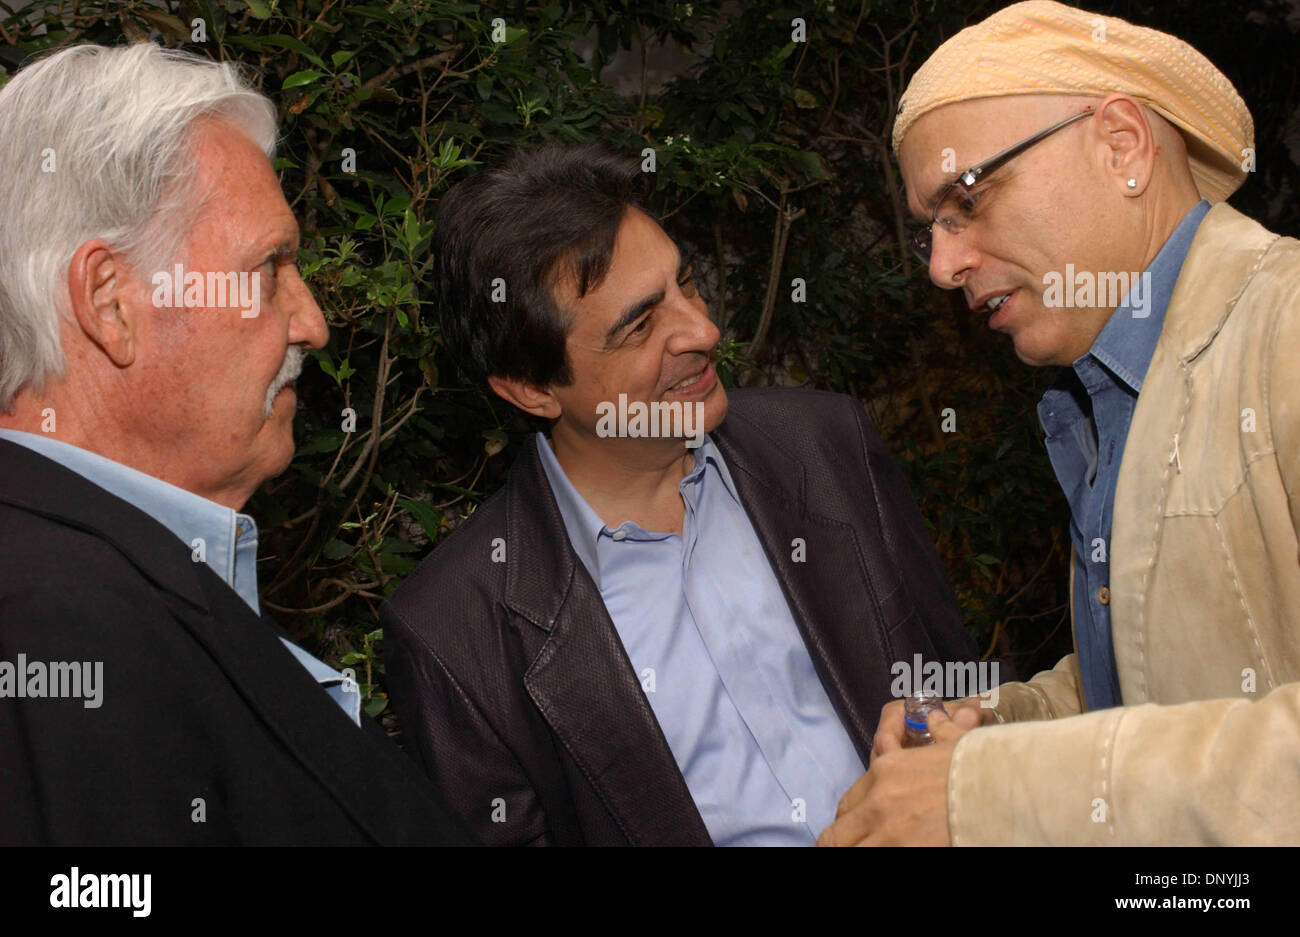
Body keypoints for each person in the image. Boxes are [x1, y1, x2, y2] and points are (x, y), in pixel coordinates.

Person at [383, 142, 982, 846]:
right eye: (641, 325)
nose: (703, 330)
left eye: (688, 284)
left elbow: (963, 679)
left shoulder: (824, 446)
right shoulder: (456, 635)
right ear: (531, 387)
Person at [820, 0, 1300, 846]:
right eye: (931, 228)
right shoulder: (1108, 395)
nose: (941, 265)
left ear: (1122, 145)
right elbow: (1157, 676)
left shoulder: (1285, 327)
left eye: (968, 196)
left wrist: (992, 795)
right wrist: (992, 727)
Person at [0, 42, 473, 845]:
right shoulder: (64, 626)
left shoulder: (100, 580)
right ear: (109, 304)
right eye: (269, 268)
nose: (313, 322)